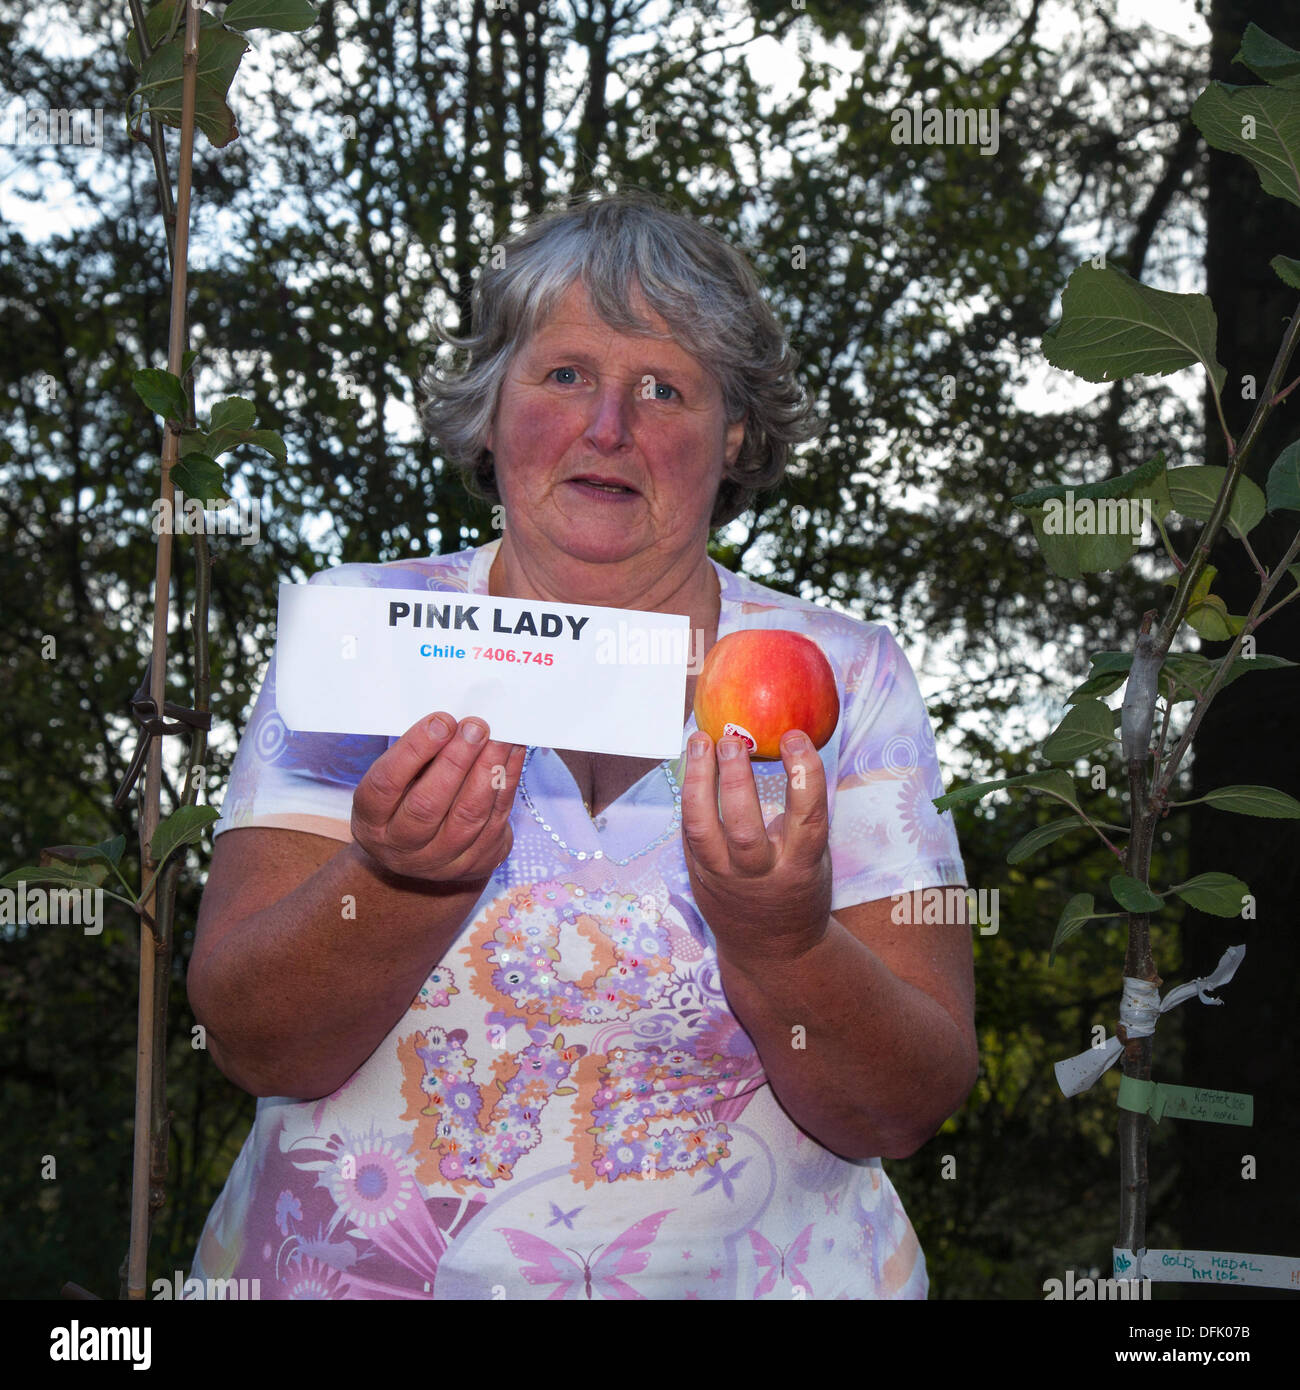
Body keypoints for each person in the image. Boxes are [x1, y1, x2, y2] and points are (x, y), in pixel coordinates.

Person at [186, 189, 977, 1300]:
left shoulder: (844, 676)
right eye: (564, 375)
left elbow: (901, 1106)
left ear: (733, 432)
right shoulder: (365, 640)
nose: (608, 427)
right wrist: (395, 879)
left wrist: (779, 941)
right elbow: (254, 1043)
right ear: (492, 404)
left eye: (664, 388)